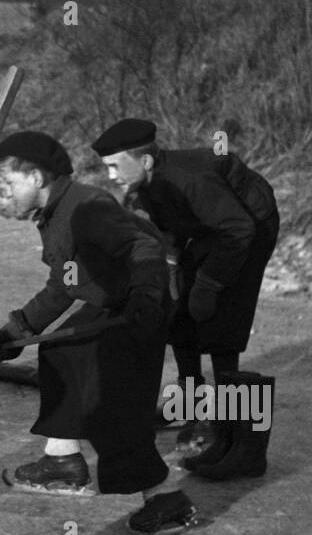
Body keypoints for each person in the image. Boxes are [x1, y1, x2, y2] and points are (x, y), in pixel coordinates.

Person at [0, 132, 196, 535]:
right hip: (112, 301)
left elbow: (142, 249)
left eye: (8, 184)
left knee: (111, 403)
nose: (3, 193)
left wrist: (145, 297)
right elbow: (65, 282)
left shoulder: (87, 207)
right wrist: (20, 327)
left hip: (138, 307)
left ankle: (165, 497)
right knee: (61, 351)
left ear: (35, 177)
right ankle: (62, 461)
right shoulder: (57, 212)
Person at [92, 119, 280, 481]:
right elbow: (167, 232)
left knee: (222, 323)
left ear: (145, 161)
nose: (111, 174)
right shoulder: (145, 185)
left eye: (116, 165)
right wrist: (171, 275)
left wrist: (209, 284)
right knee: (180, 312)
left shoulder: (189, 179)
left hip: (249, 227)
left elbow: (239, 229)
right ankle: (192, 405)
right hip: (214, 227)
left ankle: (242, 447)